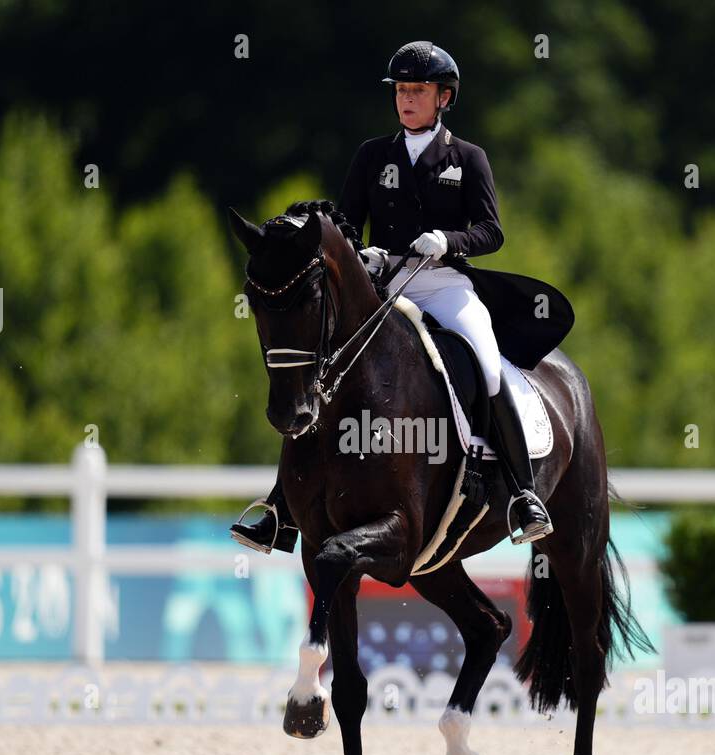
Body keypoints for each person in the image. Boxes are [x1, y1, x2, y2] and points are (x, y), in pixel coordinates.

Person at [231, 41, 554, 553]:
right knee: (324, 372)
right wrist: (368, 255)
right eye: (402, 90)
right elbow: (344, 226)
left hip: (445, 285)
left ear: (444, 97)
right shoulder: (371, 155)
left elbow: (492, 231)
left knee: (489, 367)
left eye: (418, 91)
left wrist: (450, 241)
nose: (407, 100)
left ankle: (521, 493)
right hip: (384, 288)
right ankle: (280, 510)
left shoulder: (467, 158)